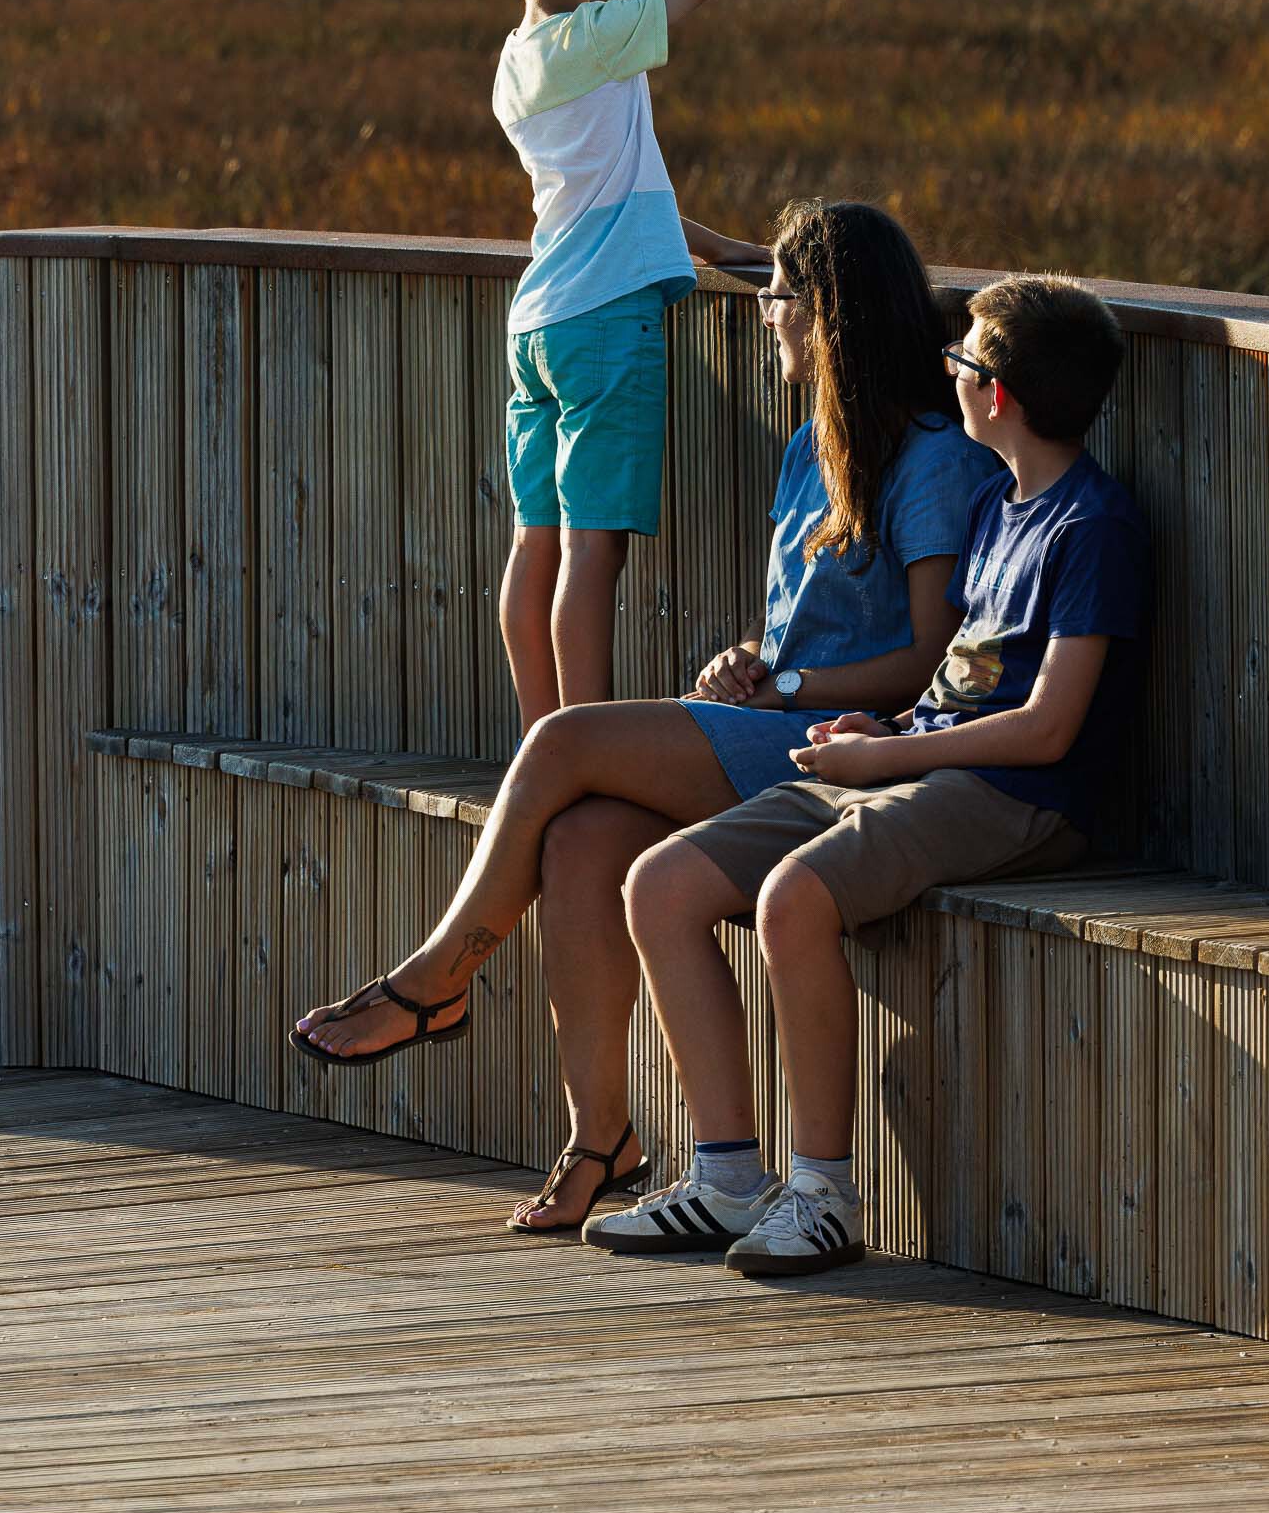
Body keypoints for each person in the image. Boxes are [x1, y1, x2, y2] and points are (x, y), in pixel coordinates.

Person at [290, 200, 992, 1234]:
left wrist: (792, 692)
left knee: (561, 740)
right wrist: (754, 663)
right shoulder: (812, 446)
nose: (764, 313)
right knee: (580, 838)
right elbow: (815, 630)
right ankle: (621, 1145)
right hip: (784, 725)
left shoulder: (934, 455)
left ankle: (437, 975)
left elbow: (924, 658)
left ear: (830, 315)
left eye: (781, 294)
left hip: (854, 750)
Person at [595, 272, 1150, 1275]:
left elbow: (1043, 727)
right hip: (919, 759)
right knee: (660, 883)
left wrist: (890, 752)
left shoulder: (1089, 528)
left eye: (963, 358)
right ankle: (724, 1178)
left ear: (997, 397)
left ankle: (822, 1193)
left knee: (792, 896)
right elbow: (962, 679)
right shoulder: (1000, 508)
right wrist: (882, 723)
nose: (948, 369)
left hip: (1017, 797)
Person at [456, 0, 897, 729]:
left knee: (532, 546)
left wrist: (722, 247)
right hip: (605, 327)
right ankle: (582, 747)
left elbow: (607, 195)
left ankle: (542, 741)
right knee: (593, 553)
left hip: (539, 324)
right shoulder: (599, 37)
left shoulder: (516, 62)